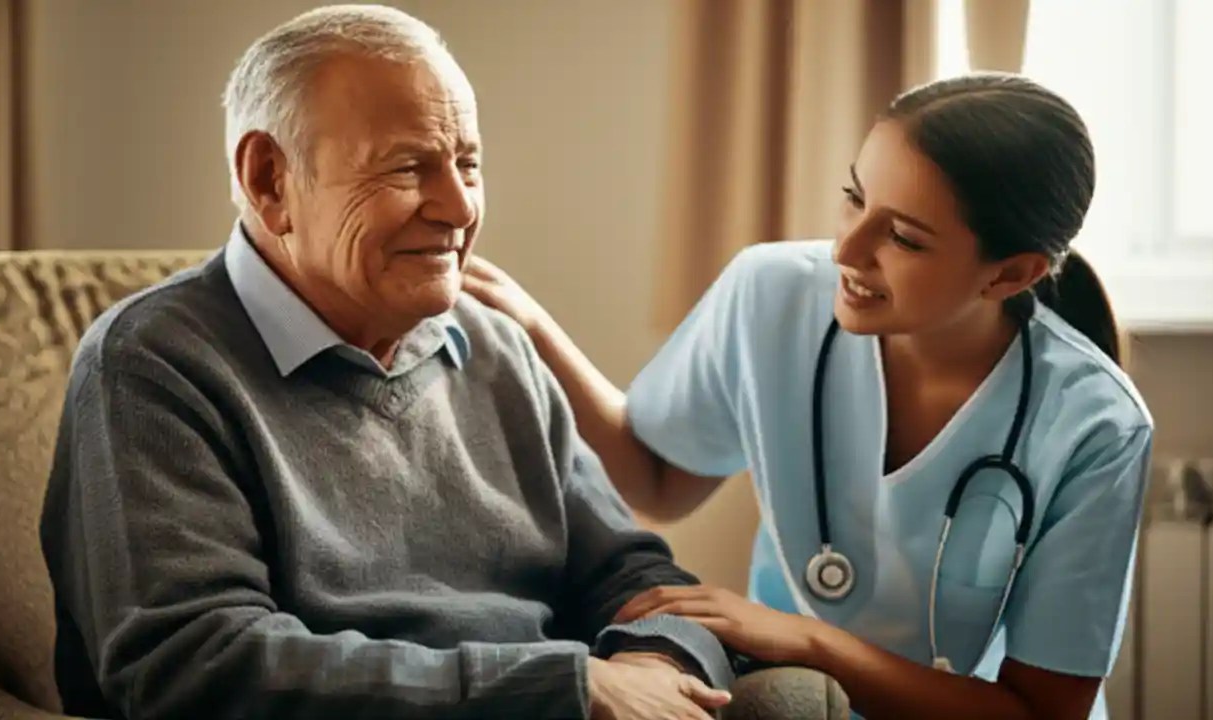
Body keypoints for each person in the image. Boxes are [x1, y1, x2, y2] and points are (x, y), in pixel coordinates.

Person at [39, 6, 738, 719]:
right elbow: (192, 665)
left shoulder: (496, 346)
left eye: (469, 163)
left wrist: (655, 663)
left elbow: (643, 580)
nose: (460, 207)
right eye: (408, 168)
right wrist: (565, 689)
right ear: (269, 180)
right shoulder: (152, 363)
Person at [463, 73, 1153, 720]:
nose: (847, 251)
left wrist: (809, 641)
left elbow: (1041, 712)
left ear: (1009, 275)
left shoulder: (1098, 424)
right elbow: (658, 479)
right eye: (854, 198)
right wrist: (530, 326)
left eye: (904, 238)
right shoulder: (771, 293)